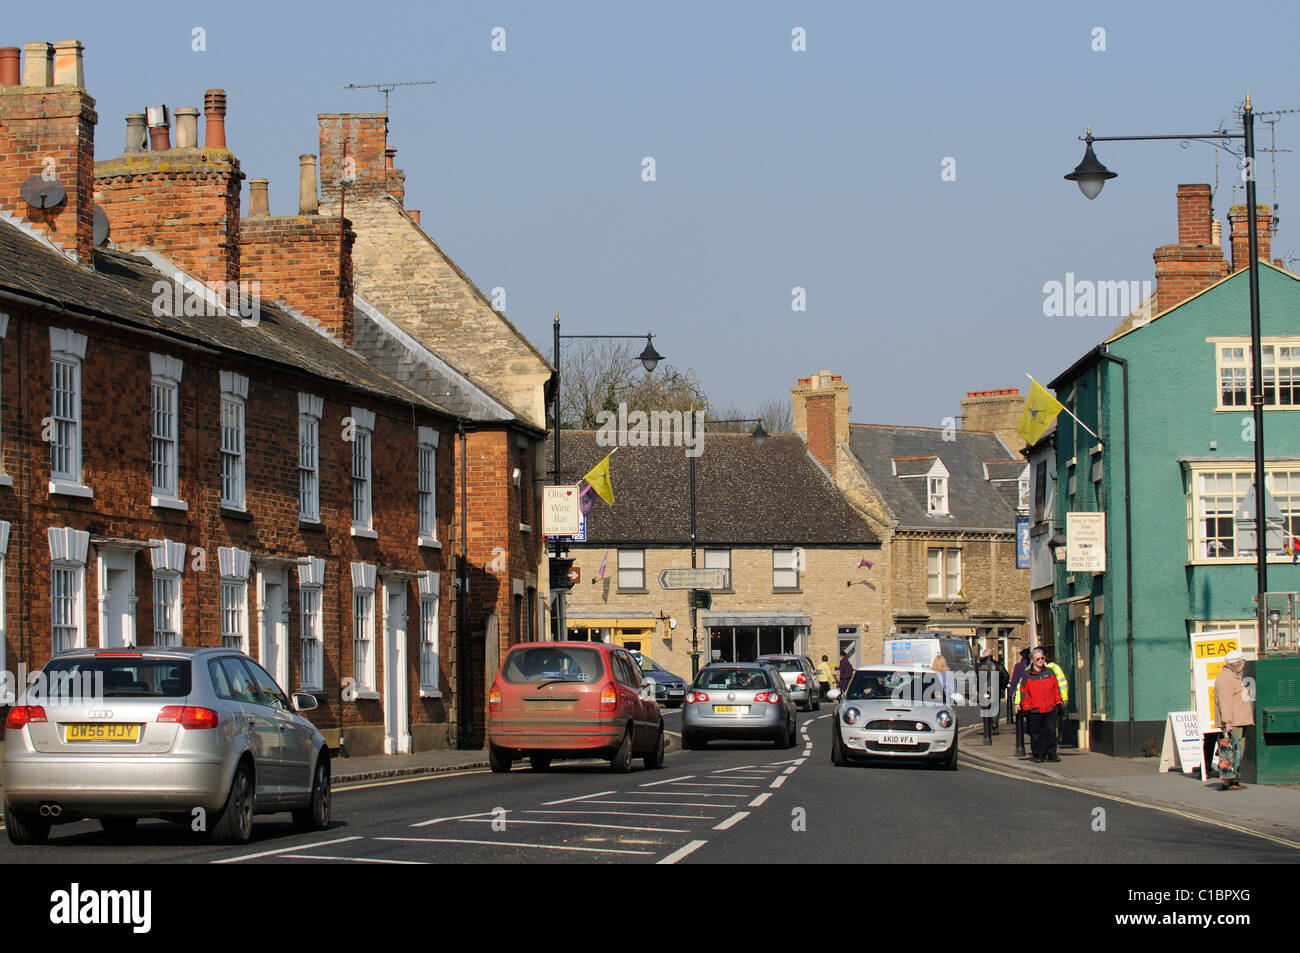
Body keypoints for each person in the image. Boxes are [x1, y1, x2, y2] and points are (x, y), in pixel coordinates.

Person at [1213, 650, 1254, 791]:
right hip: (1233, 722)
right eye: (1243, 663)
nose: (1244, 665)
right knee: (1230, 750)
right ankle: (1228, 781)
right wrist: (1227, 722)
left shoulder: (1232, 677)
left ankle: (1234, 780)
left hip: (1238, 721)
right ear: (1237, 663)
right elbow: (1225, 702)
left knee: (1235, 751)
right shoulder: (1226, 678)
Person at [1019, 647, 1063, 763]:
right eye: (1037, 658)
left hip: (1050, 708)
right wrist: (1026, 707)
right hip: (1035, 710)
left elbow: (1055, 689)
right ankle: (1038, 754)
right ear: (1032, 660)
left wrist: (1058, 703)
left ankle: (1051, 753)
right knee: (1036, 734)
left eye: (1042, 658)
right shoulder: (1027, 675)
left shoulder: (1049, 672)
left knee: (1051, 732)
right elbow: (1023, 692)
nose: (1040, 660)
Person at [976, 649, 1000, 745]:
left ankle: (987, 731)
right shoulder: (997, 665)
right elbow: (1005, 676)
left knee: (985, 709)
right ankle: (994, 724)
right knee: (995, 707)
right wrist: (1001, 686)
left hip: (983, 690)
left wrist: (978, 690)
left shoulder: (980, 666)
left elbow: (976, 678)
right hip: (995, 688)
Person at [1045, 654, 1070, 746]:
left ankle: (1051, 738)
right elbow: (1063, 683)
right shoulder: (1055, 667)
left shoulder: (1035, 668)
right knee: (1057, 718)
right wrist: (1064, 697)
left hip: (1047, 700)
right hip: (1056, 699)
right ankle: (1057, 737)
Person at [1008, 648, 1030, 756]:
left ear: (1021, 656)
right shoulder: (1030, 667)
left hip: (1020, 696)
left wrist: (1011, 693)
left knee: (1020, 719)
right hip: (1031, 696)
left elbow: (1015, 680)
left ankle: (1020, 748)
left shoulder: (1019, 666)